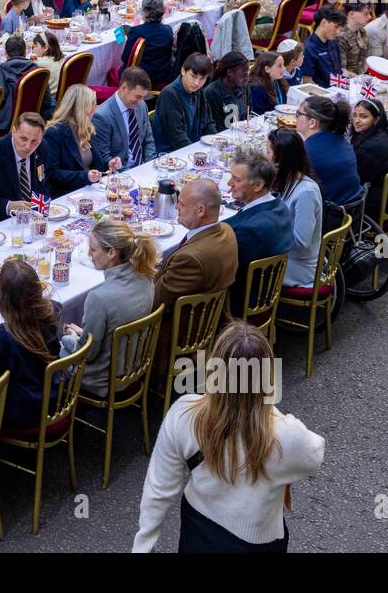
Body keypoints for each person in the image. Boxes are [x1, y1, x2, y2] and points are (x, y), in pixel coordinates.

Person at [133, 322, 325, 553]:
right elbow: (316, 454)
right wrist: (270, 408)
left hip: (198, 530)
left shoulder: (183, 414)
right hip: (257, 541)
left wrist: (143, 546)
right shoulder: (287, 436)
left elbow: (159, 491)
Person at [60, 219, 157, 398]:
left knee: (54, 347)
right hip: (132, 367)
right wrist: (84, 333)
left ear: (111, 252)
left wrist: (69, 338)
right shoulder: (146, 278)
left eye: (93, 249)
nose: (90, 254)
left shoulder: (99, 298)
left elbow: (87, 354)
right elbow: (117, 328)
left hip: (101, 380)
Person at [0, 259, 62, 429]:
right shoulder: (53, 310)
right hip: (54, 394)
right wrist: (11, 275)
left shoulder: (4, 336)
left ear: (3, 297)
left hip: (24, 412)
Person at [154, 178, 238, 326]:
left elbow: (155, 302)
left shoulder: (190, 259)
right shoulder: (227, 230)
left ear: (201, 210)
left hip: (181, 336)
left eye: (182, 204)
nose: (176, 207)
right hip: (212, 323)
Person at [223, 148, 293, 316]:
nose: (229, 184)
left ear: (258, 185)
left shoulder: (250, 231)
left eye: (237, 179)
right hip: (265, 293)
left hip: (240, 304)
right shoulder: (280, 207)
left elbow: (225, 273)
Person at [268, 129, 323, 288]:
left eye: (267, 151)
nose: (263, 157)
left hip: (297, 266)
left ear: (279, 160)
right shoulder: (284, 181)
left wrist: (267, 231)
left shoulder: (306, 193)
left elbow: (301, 242)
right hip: (287, 256)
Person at [0, 113, 49, 221]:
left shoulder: (42, 148)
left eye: (34, 142)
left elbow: (43, 184)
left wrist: (42, 214)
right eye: (23, 139)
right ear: (13, 131)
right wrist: (8, 205)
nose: (28, 146)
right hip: (3, 220)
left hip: (34, 218)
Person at [296, 96, 363, 206]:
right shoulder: (343, 141)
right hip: (355, 210)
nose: (296, 118)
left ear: (312, 123)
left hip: (331, 216)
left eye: (298, 114)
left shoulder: (307, 151)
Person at [40, 85, 105, 197]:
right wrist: (85, 176)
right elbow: (52, 174)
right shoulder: (54, 133)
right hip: (67, 194)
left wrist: (109, 163)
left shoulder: (86, 127)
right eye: (93, 105)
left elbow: (96, 162)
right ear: (83, 108)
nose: (96, 108)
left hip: (90, 190)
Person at [349, 98, 388, 218]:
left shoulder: (368, 148)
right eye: (354, 115)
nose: (357, 120)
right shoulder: (384, 132)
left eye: (363, 116)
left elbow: (357, 179)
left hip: (378, 204)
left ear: (376, 120)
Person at [93, 66, 157, 170]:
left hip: (143, 168)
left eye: (143, 97)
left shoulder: (141, 106)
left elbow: (148, 140)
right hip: (121, 175)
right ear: (124, 88)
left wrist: (150, 167)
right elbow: (104, 158)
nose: (141, 101)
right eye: (138, 96)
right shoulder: (101, 116)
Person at [0, 34, 56, 133]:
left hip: (9, 123)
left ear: (6, 55)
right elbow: (47, 100)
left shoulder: (2, 70)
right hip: (34, 118)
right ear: (25, 53)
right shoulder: (38, 70)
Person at [152, 54, 212, 153]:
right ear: (183, 71)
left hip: (194, 147)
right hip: (171, 154)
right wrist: (198, 154)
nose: (197, 83)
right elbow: (177, 137)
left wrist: (215, 143)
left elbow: (208, 122)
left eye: (202, 79)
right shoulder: (169, 94)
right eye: (193, 76)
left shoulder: (198, 90)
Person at [122, 0, 176, 90]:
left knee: (114, 72)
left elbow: (125, 58)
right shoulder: (168, 30)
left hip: (140, 77)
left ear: (145, 13)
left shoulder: (136, 31)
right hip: (163, 74)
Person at [202, 52, 251, 132]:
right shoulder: (211, 93)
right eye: (244, 74)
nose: (247, 78)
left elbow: (247, 116)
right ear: (230, 73)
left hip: (241, 134)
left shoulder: (244, 88)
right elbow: (213, 126)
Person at [300, 8, 346, 88]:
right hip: (322, 94)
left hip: (338, 88)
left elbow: (339, 71)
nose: (338, 32)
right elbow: (306, 80)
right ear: (324, 23)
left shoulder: (334, 44)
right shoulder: (308, 48)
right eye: (336, 27)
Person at [338, 0, 372, 77]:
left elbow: (366, 59)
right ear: (351, 14)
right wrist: (362, 79)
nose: (370, 17)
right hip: (347, 81)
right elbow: (342, 71)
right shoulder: (340, 36)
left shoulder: (362, 31)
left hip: (361, 76)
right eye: (366, 14)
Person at [248, 51, 289, 116]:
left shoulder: (280, 81)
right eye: (279, 66)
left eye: (283, 65)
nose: (284, 68)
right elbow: (257, 115)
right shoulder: (257, 88)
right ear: (267, 69)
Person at [30, 31, 64, 99]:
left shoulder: (40, 64)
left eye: (36, 46)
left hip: (49, 100)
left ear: (45, 48)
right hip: (60, 96)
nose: (34, 49)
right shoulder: (60, 58)